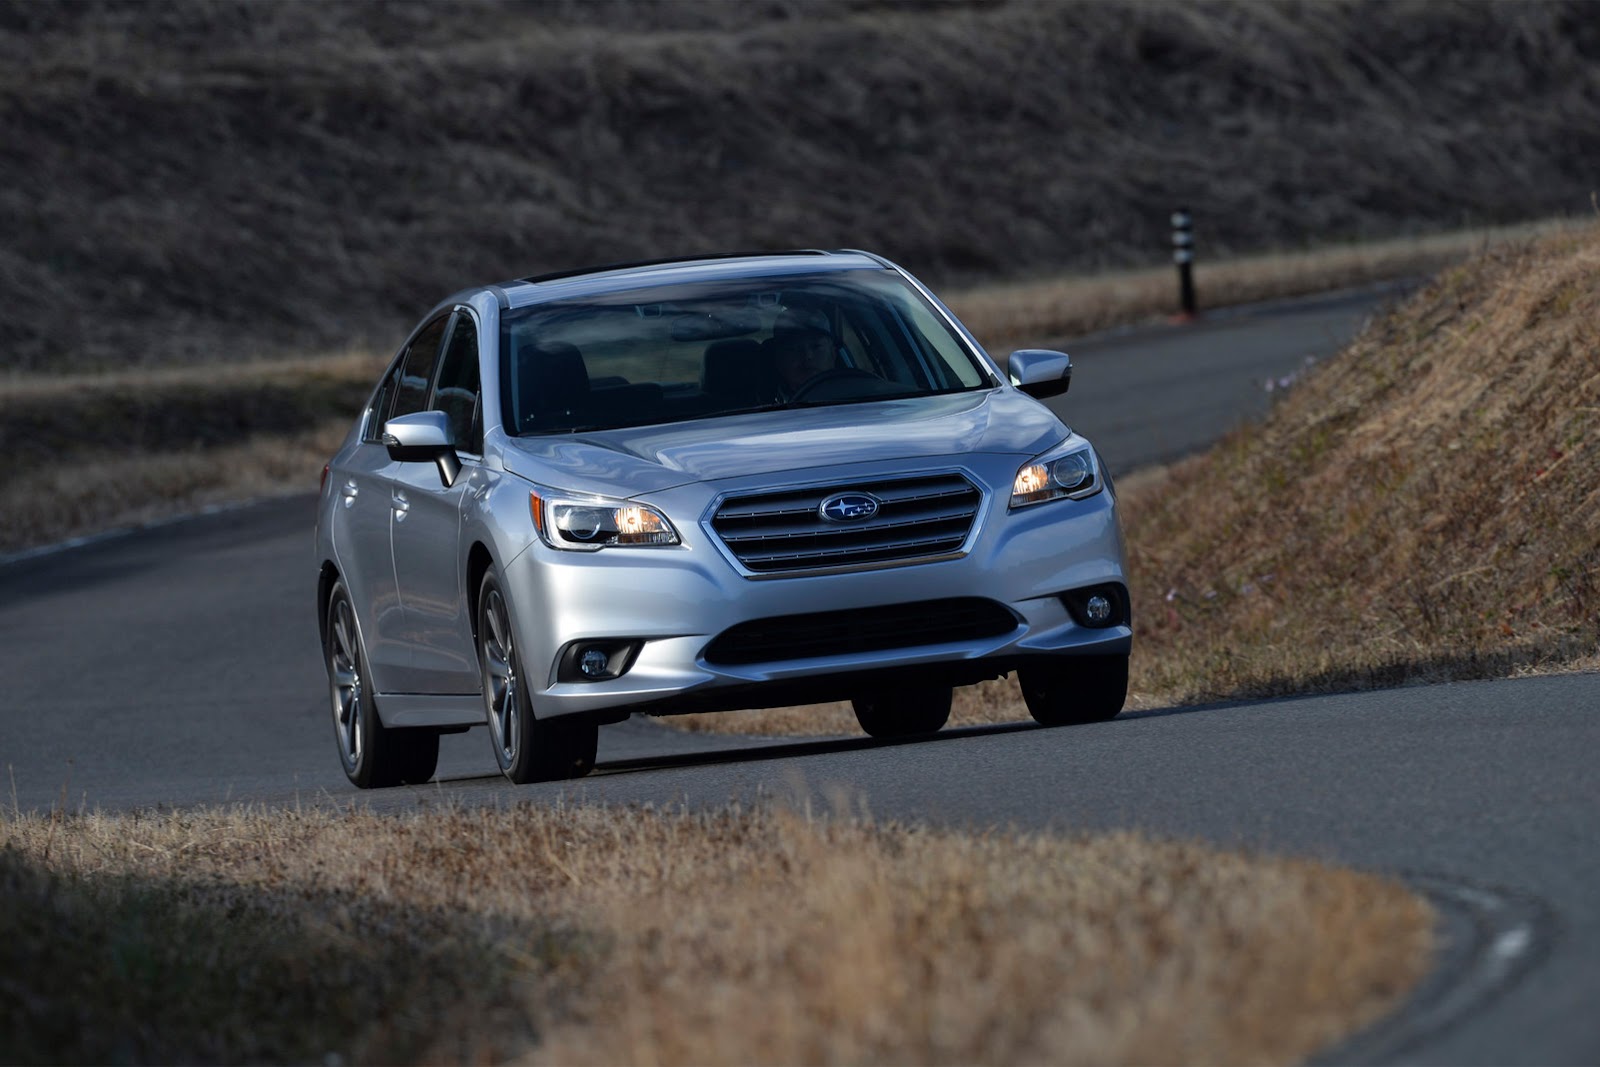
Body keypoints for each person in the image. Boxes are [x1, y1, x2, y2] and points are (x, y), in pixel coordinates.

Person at [771, 307, 838, 397]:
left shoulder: (855, 394)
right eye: (794, 349)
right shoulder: (764, 405)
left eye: (816, 346)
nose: (808, 356)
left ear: (833, 354)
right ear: (779, 360)